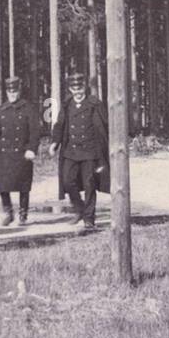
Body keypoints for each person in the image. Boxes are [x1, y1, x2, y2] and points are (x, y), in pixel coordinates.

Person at [48, 72, 109, 232]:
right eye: (74, 88)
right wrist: (55, 143)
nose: (78, 92)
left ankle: (89, 218)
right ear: (70, 89)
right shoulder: (67, 105)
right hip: (71, 151)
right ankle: (80, 208)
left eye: (80, 88)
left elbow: (104, 125)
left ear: (85, 88)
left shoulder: (94, 104)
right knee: (67, 181)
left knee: (89, 184)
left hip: (90, 152)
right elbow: (59, 125)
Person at [0, 75, 42, 225]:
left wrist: (32, 149)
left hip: (22, 152)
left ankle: (23, 214)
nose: (12, 94)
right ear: (6, 92)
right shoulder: (1, 110)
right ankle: (8, 211)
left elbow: (35, 132)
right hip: (3, 153)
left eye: (15, 91)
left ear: (19, 91)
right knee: (1, 184)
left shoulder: (28, 108)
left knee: (23, 185)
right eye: (10, 91)